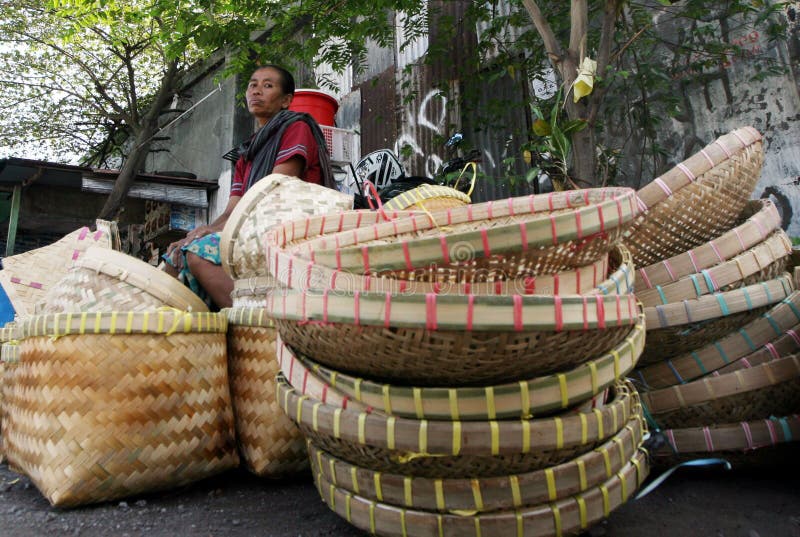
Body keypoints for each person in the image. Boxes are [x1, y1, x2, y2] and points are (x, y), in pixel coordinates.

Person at [163, 64, 335, 309]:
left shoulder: (297, 128)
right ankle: (197, 340)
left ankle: (257, 322)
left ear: (286, 100)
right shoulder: (247, 152)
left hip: (288, 229)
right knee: (175, 255)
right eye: (253, 84)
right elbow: (231, 211)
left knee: (199, 254)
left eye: (267, 85)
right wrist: (203, 230)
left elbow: (274, 191)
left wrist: (209, 236)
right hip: (250, 227)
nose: (256, 91)